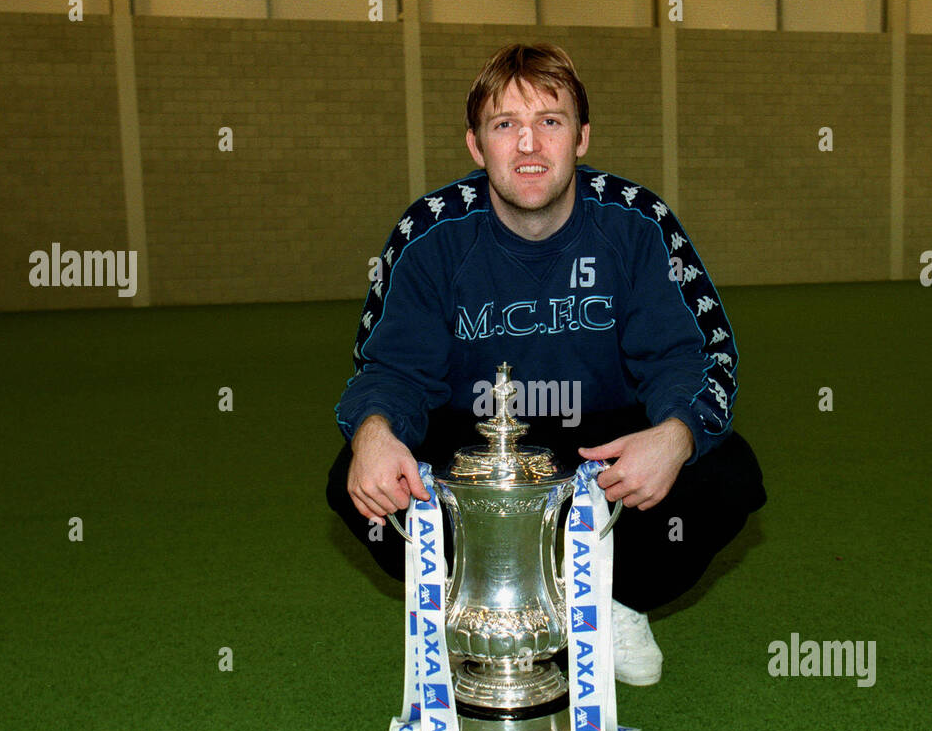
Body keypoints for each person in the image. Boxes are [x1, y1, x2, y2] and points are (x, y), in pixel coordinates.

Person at [327, 43, 765, 685]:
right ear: (477, 146)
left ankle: (615, 597)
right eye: (505, 125)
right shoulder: (429, 234)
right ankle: (490, 608)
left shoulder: (638, 223)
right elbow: (391, 369)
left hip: (602, 445)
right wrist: (373, 434)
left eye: (550, 121)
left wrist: (673, 437)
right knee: (356, 475)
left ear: (581, 137)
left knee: (726, 472)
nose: (528, 145)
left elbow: (691, 358)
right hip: (476, 448)